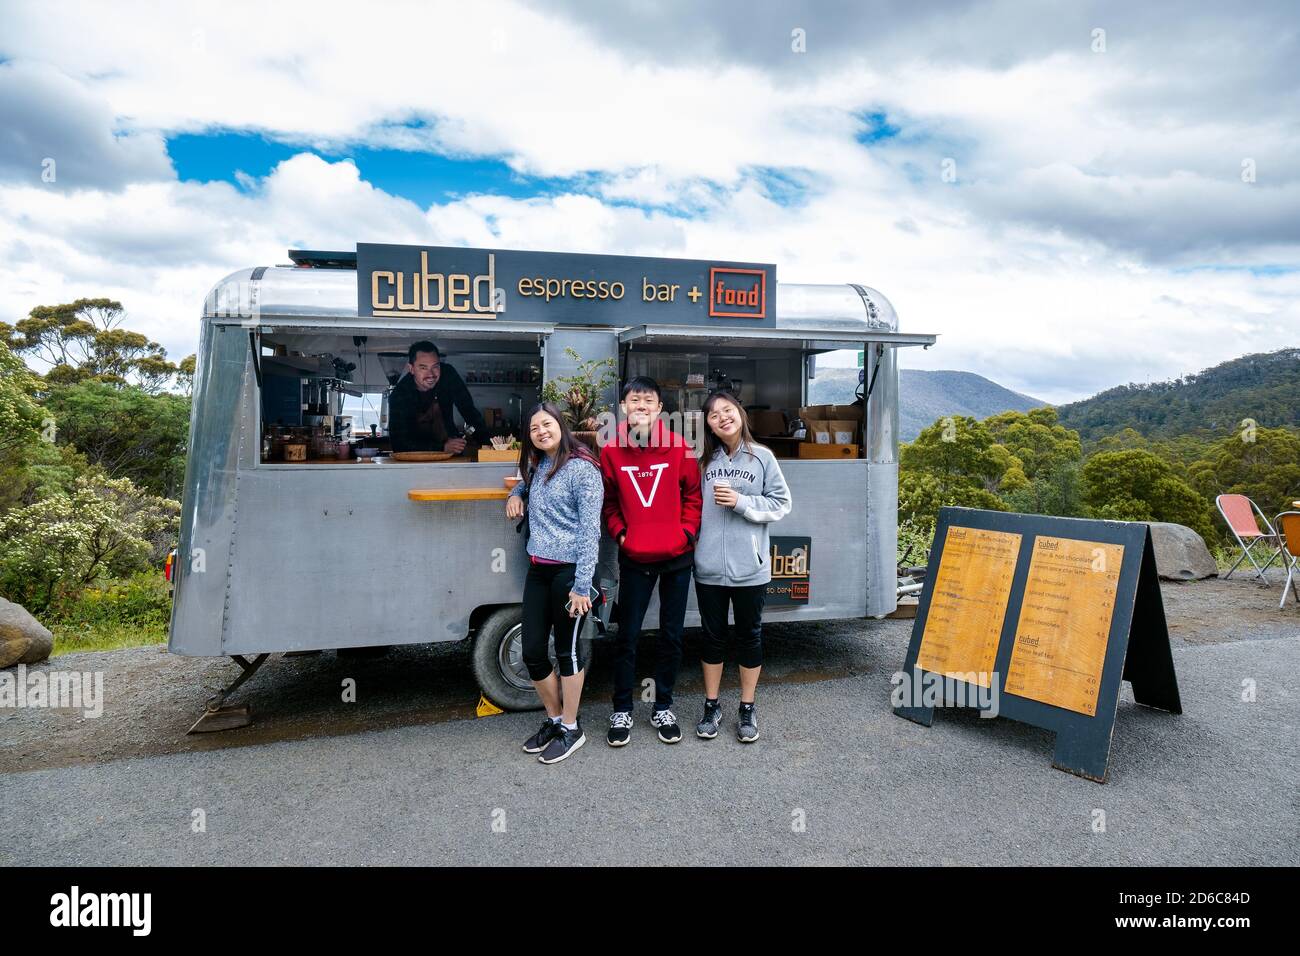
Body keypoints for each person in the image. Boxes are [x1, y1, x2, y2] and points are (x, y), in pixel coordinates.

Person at [600, 377, 703, 746]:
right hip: (635, 558)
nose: (641, 405)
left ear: (660, 409)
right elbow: (609, 502)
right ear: (624, 408)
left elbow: (694, 495)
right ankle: (622, 709)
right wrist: (622, 534)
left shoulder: (680, 447)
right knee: (627, 636)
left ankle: (663, 706)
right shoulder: (611, 451)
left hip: (677, 557)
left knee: (671, 636)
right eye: (634, 400)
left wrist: (686, 534)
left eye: (649, 400)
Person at [506, 402, 604, 764]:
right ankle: (555, 718)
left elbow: (591, 531)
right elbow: (523, 486)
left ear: (560, 426)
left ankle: (572, 727)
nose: (541, 432)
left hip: (570, 573)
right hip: (538, 570)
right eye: (534, 428)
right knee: (532, 651)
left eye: (547, 424)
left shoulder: (582, 469)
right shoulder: (537, 465)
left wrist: (582, 585)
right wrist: (515, 495)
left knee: (569, 652)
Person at [693, 389, 791, 743]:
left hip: (751, 568)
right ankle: (711, 704)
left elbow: (782, 504)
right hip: (708, 569)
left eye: (727, 409)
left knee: (749, 637)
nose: (722, 417)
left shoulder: (762, 457)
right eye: (713, 414)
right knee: (712, 638)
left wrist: (741, 502)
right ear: (708, 424)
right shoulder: (703, 461)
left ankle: (747, 707)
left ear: (740, 413)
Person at [388, 340, 487, 454]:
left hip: (451, 454)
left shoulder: (448, 374)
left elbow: (469, 412)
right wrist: (442, 447)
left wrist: (491, 447)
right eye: (423, 368)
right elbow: (399, 445)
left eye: (435, 367)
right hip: (416, 459)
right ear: (411, 369)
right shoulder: (399, 395)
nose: (431, 375)